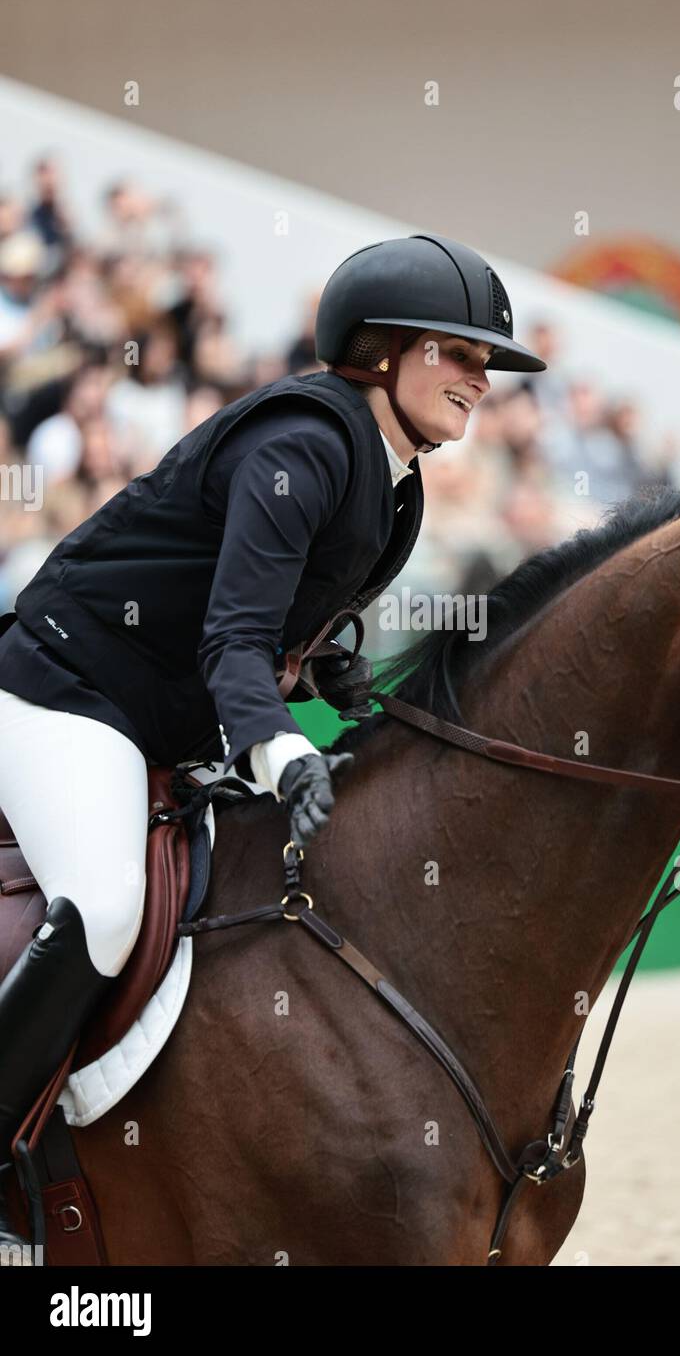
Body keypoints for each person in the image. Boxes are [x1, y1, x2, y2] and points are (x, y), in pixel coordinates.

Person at [0, 231, 545, 1258]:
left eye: (487, 363)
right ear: (384, 350)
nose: (482, 379)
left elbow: (282, 622)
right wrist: (281, 749)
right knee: (108, 905)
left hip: (163, 714)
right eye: (459, 353)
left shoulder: (394, 486)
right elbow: (232, 636)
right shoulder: (304, 440)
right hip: (67, 689)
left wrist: (330, 665)